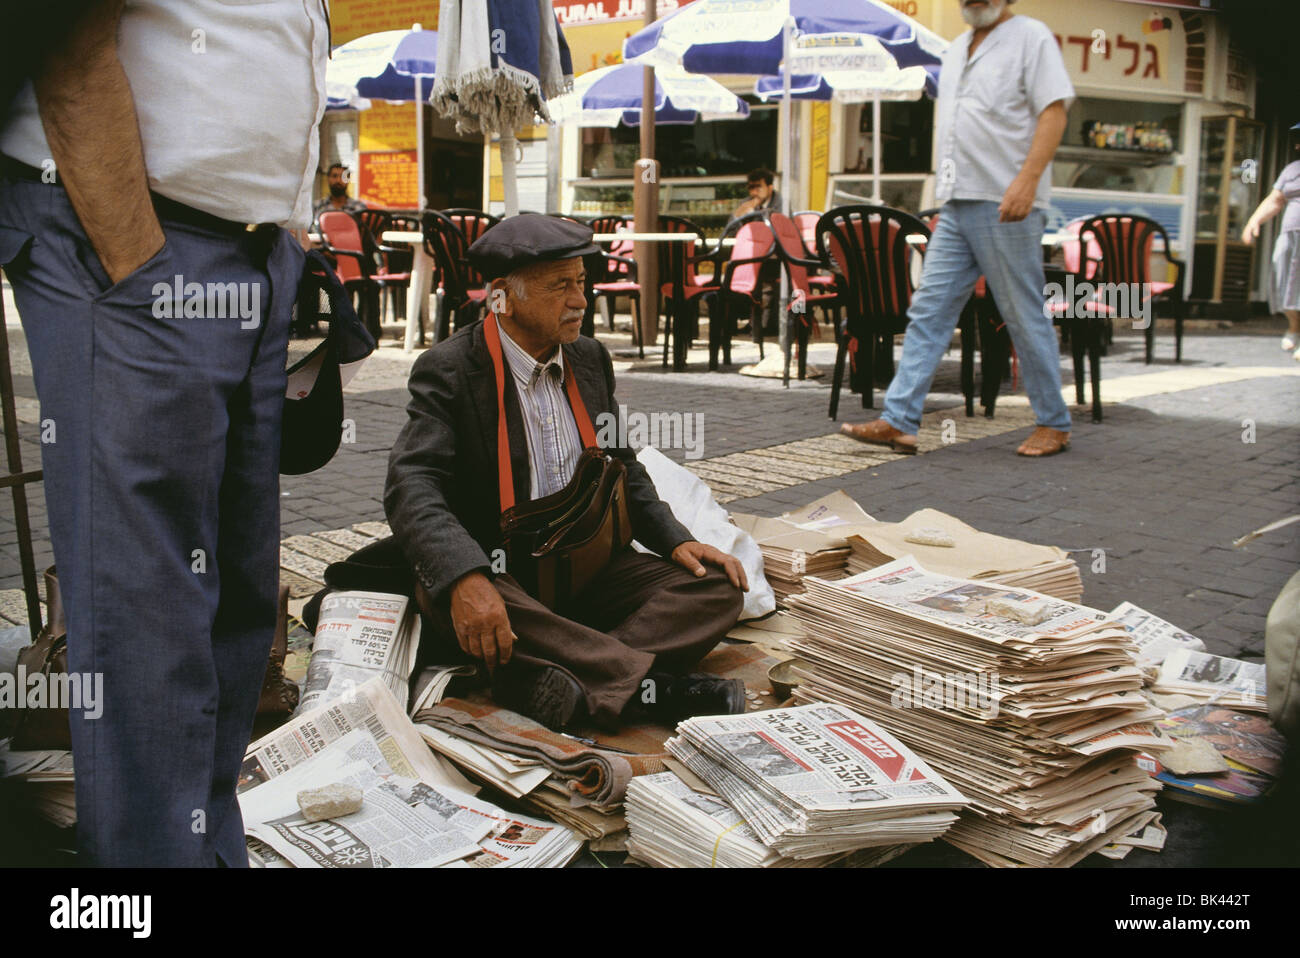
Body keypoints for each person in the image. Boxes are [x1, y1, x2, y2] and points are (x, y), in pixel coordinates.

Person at [0, 0, 327, 866]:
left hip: (242, 250)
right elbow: (70, 37)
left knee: (236, 599)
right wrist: (134, 255)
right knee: (149, 609)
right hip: (142, 236)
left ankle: (195, 849)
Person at [385, 215, 748, 732]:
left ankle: (558, 674)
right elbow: (411, 484)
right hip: (502, 572)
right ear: (502, 298)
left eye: (580, 282)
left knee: (717, 586)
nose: (580, 299)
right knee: (447, 591)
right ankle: (647, 689)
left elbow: (621, 464)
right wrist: (466, 577)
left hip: (584, 569)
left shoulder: (589, 358)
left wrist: (673, 540)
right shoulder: (450, 369)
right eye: (560, 286)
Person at [841, 0, 1074, 457]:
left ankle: (1054, 422)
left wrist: (1027, 181)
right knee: (928, 313)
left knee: (1022, 313)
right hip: (958, 200)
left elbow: (1054, 111)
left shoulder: (1032, 36)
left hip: (1005, 198)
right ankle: (900, 420)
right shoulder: (956, 49)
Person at [1242, 124, 1300, 360]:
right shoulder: (1291, 170)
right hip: (1289, 234)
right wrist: (1253, 221)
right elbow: (1275, 200)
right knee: (1282, 274)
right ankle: (1294, 327)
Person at [729, 168, 783, 339]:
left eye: (758, 187)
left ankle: (763, 324)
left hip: (775, 257)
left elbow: (780, 229)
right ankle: (735, 326)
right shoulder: (747, 203)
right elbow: (729, 230)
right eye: (750, 187)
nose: (754, 192)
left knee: (764, 276)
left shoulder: (780, 203)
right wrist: (740, 215)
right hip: (751, 257)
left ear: (770, 187)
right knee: (731, 274)